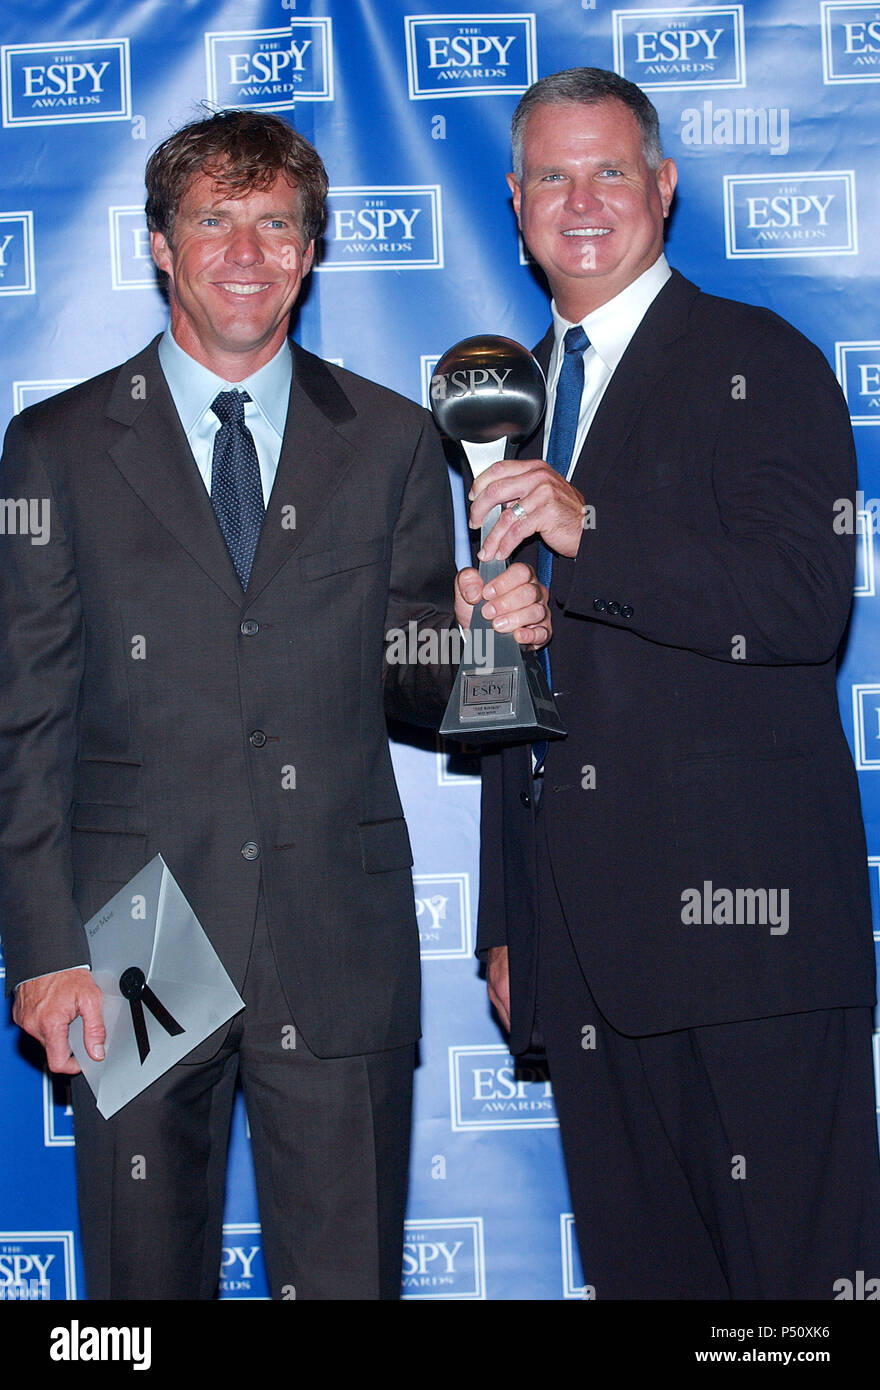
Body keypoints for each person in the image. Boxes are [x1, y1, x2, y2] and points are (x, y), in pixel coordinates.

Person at [0, 109, 549, 1301]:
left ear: (310, 251)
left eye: (276, 224)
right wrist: (43, 951)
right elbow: (23, 721)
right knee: (140, 1297)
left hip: (332, 939)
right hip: (135, 943)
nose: (246, 251)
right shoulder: (56, 448)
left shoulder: (397, 440)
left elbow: (415, 685)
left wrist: (480, 638)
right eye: (214, 220)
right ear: (160, 245)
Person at [471, 67, 880, 1299]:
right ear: (515, 200)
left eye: (608, 170)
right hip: (586, 946)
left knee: (793, 1299)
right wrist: (507, 915)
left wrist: (591, 529)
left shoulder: (758, 358)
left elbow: (804, 608)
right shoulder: (508, 399)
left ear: (663, 187)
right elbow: (518, 667)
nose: (580, 200)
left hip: (750, 936)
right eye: (552, 174)